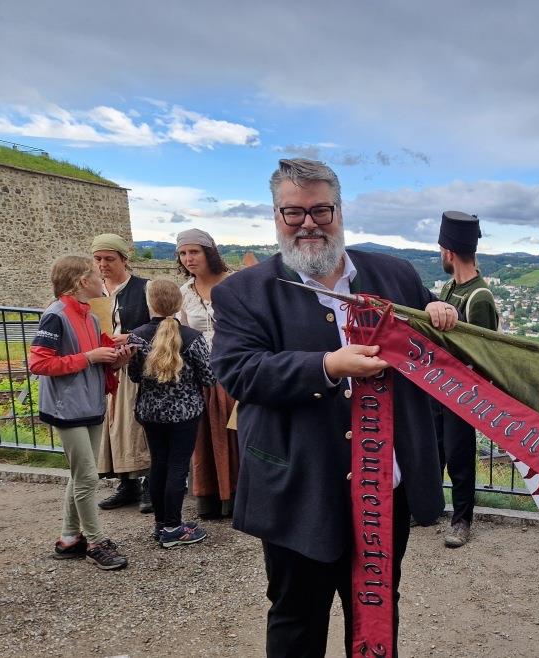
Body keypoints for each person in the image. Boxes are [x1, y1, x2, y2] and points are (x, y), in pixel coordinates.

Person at [210, 158, 459, 657]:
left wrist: (438, 311)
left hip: (385, 487)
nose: (308, 224)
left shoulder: (395, 273)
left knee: (377, 606)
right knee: (297, 616)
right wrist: (327, 364)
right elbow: (238, 370)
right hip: (298, 487)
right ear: (276, 216)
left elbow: (429, 329)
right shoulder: (243, 292)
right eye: (293, 213)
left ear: (339, 211)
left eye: (320, 210)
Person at [30, 255, 130, 570]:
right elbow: (38, 363)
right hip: (67, 407)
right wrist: (89, 357)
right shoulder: (56, 315)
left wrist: (117, 358)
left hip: (89, 403)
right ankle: (96, 541)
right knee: (87, 475)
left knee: (80, 475)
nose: (102, 278)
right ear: (82, 282)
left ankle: (70, 539)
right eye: (95, 274)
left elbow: (99, 355)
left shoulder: (90, 316)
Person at [128, 279, 215, 547]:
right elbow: (209, 377)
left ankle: (160, 523)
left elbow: (133, 376)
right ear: (178, 304)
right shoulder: (192, 337)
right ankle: (173, 528)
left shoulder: (137, 336)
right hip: (184, 413)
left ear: (150, 303)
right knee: (178, 467)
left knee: (159, 464)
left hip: (150, 412)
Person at [435, 210, 499, 548]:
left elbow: (484, 355)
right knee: (437, 451)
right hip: (440, 387)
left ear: (447, 251)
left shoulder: (479, 296)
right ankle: (430, 507)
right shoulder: (450, 288)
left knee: (460, 457)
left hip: (462, 391)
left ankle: (462, 521)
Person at [176, 228, 238, 519]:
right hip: (202, 373)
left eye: (194, 252)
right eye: (183, 253)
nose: (188, 258)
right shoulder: (184, 292)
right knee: (206, 438)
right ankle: (212, 500)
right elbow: (182, 333)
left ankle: (241, 498)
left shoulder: (236, 283)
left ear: (209, 252)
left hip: (237, 369)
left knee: (238, 435)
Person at [92, 234, 152, 513]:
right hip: (104, 368)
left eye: (109, 259)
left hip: (137, 367)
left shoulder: (144, 288)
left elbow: (162, 327)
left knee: (139, 427)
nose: (103, 264)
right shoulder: (93, 290)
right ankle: (126, 484)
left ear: (124, 259)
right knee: (113, 428)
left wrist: (129, 338)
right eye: (98, 259)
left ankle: (150, 485)